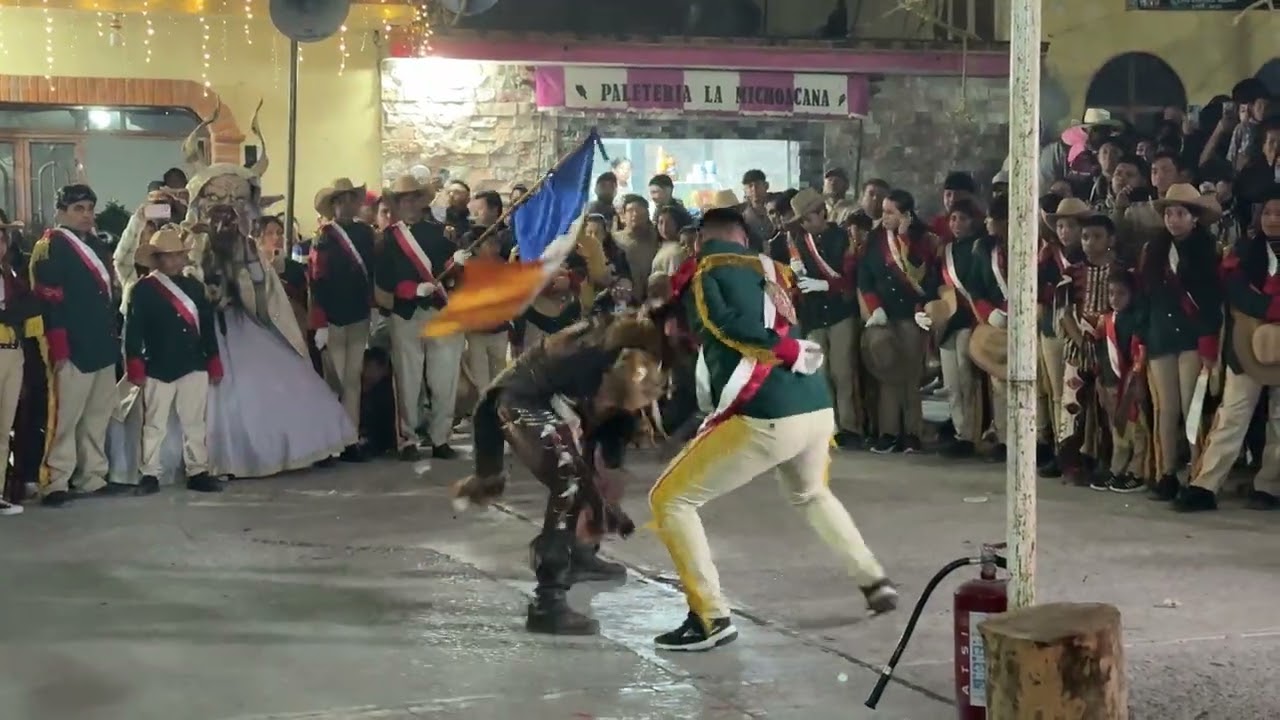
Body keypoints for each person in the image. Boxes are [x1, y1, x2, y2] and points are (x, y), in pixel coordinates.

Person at [647, 207, 896, 652]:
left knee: (669, 500)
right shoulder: (773, 270)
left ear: (704, 237)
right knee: (812, 494)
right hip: (815, 407)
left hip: (764, 410)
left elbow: (725, 325)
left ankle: (710, 616)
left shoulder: (705, 272)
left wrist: (777, 349)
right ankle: (873, 579)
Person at [450, 308, 669, 636]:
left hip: (553, 406)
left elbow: (606, 459)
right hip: (518, 402)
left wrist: (605, 502)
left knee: (591, 474)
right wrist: (488, 469)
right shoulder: (577, 358)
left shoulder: (621, 385)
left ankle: (579, 555)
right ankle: (547, 602)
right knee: (568, 477)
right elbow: (492, 396)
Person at [178, 101, 357, 478]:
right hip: (197, 335)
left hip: (245, 329)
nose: (225, 209)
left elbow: (263, 295)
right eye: (216, 199)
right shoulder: (186, 243)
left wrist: (246, 272)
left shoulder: (247, 248)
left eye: (234, 200)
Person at [30, 184, 132, 506]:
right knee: (64, 417)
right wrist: (59, 343)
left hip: (100, 343)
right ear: (61, 211)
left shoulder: (95, 245)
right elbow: (48, 300)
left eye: (89, 208)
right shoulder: (52, 246)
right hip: (71, 344)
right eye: (78, 209)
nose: (87, 215)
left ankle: (92, 477)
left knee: (97, 415)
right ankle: (56, 481)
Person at [1179, 189, 1280, 512]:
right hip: (1245, 345)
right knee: (1232, 414)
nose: (1272, 220)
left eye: (1279, 214)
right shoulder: (1244, 251)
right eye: (1267, 213)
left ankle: (1270, 485)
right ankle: (1205, 484)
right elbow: (1235, 291)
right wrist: (1272, 306)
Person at [374, 175, 468, 461]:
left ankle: (441, 438)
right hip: (405, 314)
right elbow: (384, 282)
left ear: (421, 201)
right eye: (404, 199)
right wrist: (414, 289)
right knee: (407, 379)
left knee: (444, 378)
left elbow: (450, 272)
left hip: (439, 312)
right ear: (397, 204)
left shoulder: (440, 233)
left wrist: (458, 262)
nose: (410, 204)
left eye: (414, 198)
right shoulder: (387, 240)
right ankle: (409, 439)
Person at [124, 226, 222, 494]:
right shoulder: (142, 290)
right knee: (154, 424)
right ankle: (149, 474)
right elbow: (133, 329)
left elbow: (207, 327)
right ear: (157, 259)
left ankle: (198, 471)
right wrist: (134, 362)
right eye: (170, 256)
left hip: (193, 362)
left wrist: (213, 359)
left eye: (179, 255)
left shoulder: (194, 287)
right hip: (158, 365)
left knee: (195, 422)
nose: (177, 260)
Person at [788, 188, 864, 448]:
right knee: (820, 374)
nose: (806, 225)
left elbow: (850, 278)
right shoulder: (799, 242)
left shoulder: (842, 238)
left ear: (822, 213)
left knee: (842, 372)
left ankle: (850, 426)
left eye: (809, 218)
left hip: (840, 312)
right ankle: (828, 427)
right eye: (802, 221)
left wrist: (825, 285)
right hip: (813, 314)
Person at [310, 178, 376, 461]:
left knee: (352, 380)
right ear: (333, 205)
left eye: (350, 199)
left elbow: (371, 271)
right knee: (333, 381)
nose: (347, 204)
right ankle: (329, 439)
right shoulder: (323, 237)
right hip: (334, 317)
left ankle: (349, 438)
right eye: (341, 200)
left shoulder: (365, 233)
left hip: (359, 314)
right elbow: (316, 280)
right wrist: (320, 321)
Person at [0, 214, 41, 516]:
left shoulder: (9, 276)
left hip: (14, 351)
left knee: (4, 428)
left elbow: (29, 308)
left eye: (1, 238)